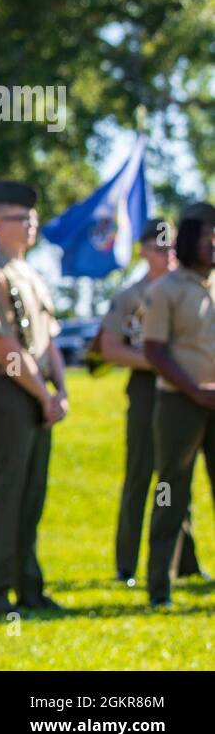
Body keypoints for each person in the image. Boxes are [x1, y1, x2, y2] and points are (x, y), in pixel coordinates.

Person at [0, 180, 69, 616]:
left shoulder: (31, 274)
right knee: (5, 494)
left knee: (32, 496)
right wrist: (43, 393)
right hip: (9, 392)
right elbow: (6, 350)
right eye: (21, 218)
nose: (31, 224)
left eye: (33, 217)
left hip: (37, 393)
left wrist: (60, 390)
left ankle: (29, 587)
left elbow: (49, 341)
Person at [99, 218, 202, 586]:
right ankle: (126, 563)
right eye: (160, 249)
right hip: (148, 388)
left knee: (176, 476)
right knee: (141, 473)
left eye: (173, 248)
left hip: (185, 392)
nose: (168, 256)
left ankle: (183, 560)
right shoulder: (131, 295)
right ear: (143, 251)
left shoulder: (190, 290)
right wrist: (162, 362)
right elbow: (110, 348)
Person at [141, 202, 215, 607]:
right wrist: (194, 390)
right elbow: (154, 350)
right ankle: (159, 586)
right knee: (170, 491)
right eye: (208, 237)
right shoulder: (165, 291)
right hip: (179, 407)